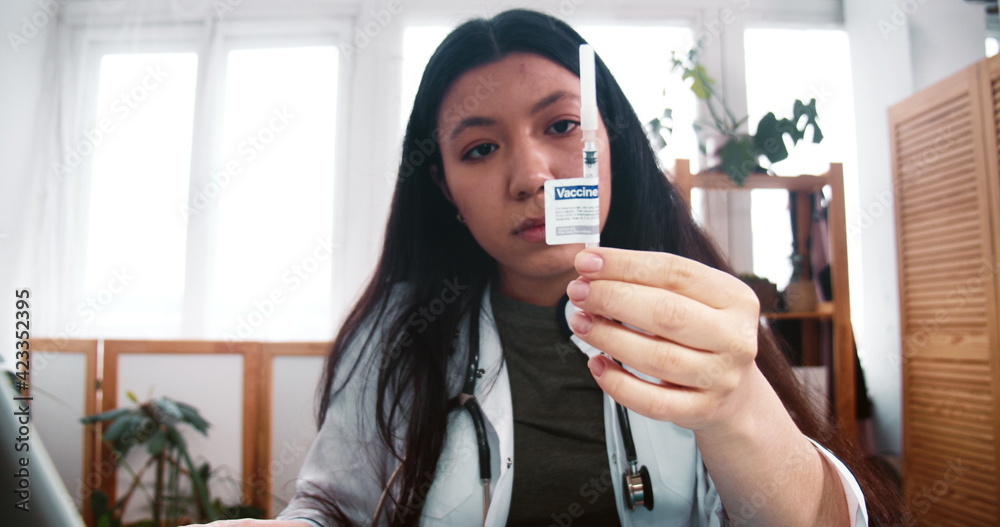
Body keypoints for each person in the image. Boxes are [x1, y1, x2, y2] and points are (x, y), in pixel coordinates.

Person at [187, 8, 905, 527]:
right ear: (444, 188)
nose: (531, 176)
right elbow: (330, 507)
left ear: (610, 140)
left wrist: (738, 403)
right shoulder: (400, 331)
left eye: (561, 127)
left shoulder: (707, 320)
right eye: (478, 149)